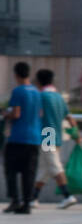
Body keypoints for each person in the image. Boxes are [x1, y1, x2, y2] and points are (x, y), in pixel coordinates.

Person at [32, 69, 79, 209]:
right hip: (57, 133)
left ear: (39, 81)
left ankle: (67, 195)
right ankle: (33, 198)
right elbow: (70, 118)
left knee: (53, 165)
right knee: (44, 168)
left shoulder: (41, 97)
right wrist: (76, 134)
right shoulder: (58, 97)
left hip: (46, 133)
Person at [3, 62, 42, 214]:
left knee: (11, 171)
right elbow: (41, 114)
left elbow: (16, 113)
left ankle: (15, 200)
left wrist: (6, 114)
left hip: (18, 138)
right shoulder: (37, 93)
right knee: (29, 173)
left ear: (16, 74)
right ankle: (27, 204)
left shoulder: (18, 91)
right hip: (35, 138)